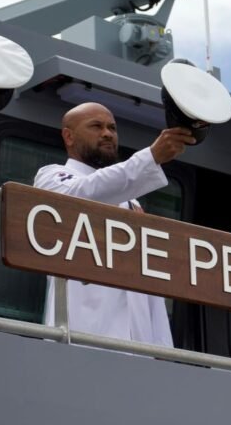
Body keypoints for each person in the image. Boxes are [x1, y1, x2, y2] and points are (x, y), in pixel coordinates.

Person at [34, 102, 195, 347]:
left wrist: (163, 350)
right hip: (81, 337)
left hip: (139, 346)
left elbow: (151, 285)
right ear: (69, 136)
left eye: (112, 128)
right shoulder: (53, 176)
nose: (108, 133)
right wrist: (150, 157)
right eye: (96, 126)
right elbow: (83, 195)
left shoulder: (131, 201)